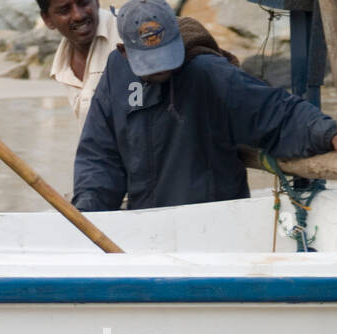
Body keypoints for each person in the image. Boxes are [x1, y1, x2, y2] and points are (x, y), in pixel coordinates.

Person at [73, 0, 337, 212]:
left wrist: (328, 133)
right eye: (149, 64)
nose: (161, 69)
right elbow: (99, 156)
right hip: (147, 222)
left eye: (165, 57)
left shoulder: (209, 71)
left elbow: (278, 114)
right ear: (124, 51)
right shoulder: (116, 72)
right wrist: (86, 211)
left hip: (213, 222)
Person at [42, 0, 123, 129]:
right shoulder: (62, 67)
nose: (78, 16)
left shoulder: (129, 29)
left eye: (83, 3)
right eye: (64, 10)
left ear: (96, 2)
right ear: (47, 20)